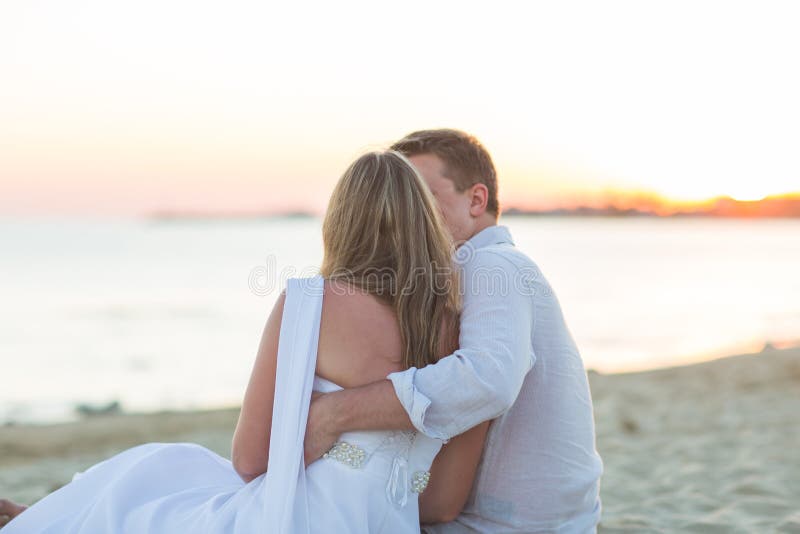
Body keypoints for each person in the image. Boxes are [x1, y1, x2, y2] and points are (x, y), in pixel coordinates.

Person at [0, 150, 490, 533]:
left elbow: (251, 460)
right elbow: (443, 504)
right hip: (390, 523)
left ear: (340, 223)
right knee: (176, 469)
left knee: (147, 477)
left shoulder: (311, 302)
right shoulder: (458, 328)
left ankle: (44, 522)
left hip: (299, 521)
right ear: (423, 222)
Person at [304, 129, 604, 532]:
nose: (407, 212)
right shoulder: (470, 273)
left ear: (476, 200)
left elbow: (487, 379)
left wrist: (335, 413)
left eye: (423, 197)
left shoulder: (494, 267)